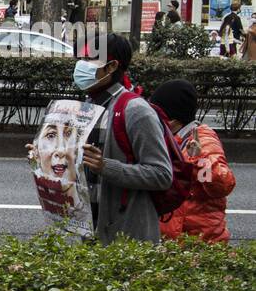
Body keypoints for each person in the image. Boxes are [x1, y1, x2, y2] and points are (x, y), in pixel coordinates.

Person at [73, 34, 173, 245]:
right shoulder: (88, 105)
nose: (81, 66)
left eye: (89, 59)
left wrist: (106, 166)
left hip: (127, 237)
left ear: (111, 67)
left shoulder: (136, 111)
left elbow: (162, 174)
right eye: (79, 59)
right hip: (92, 230)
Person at [150, 80, 235, 244]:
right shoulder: (170, 138)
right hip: (175, 238)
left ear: (172, 120)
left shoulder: (203, 140)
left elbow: (222, 186)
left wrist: (199, 159)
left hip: (200, 241)